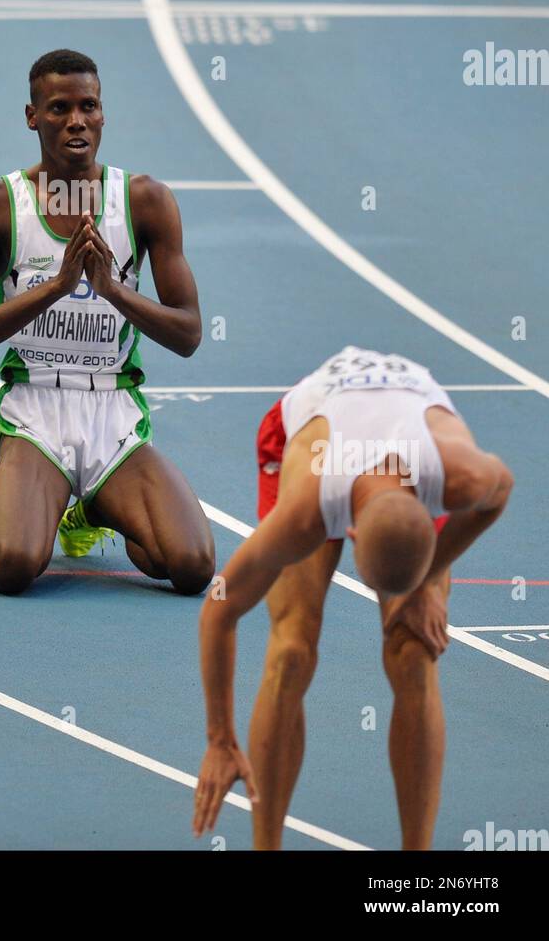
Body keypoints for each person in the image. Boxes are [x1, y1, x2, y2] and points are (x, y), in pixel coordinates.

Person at [193, 345, 513, 849]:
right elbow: (220, 605)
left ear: (431, 518)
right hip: (316, 427)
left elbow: (503, 488)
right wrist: (219, 740)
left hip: (409, 413)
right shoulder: (306, 513)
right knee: (293, 649)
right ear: (351, 536)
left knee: (415, 652)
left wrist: (431, 577)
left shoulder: (462, 473)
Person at [0, 48, 215, 595]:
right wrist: (57, 289)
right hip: (34, 410)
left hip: (112, 412)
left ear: (103, 113)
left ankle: (95, 508)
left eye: (88, 106)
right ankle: (32, 496)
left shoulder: (145, 202)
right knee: (13, 568)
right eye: (59, 108)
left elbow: (188, 333)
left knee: (190, 567)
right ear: (31, 116)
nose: (76, 121)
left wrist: (111, 290)